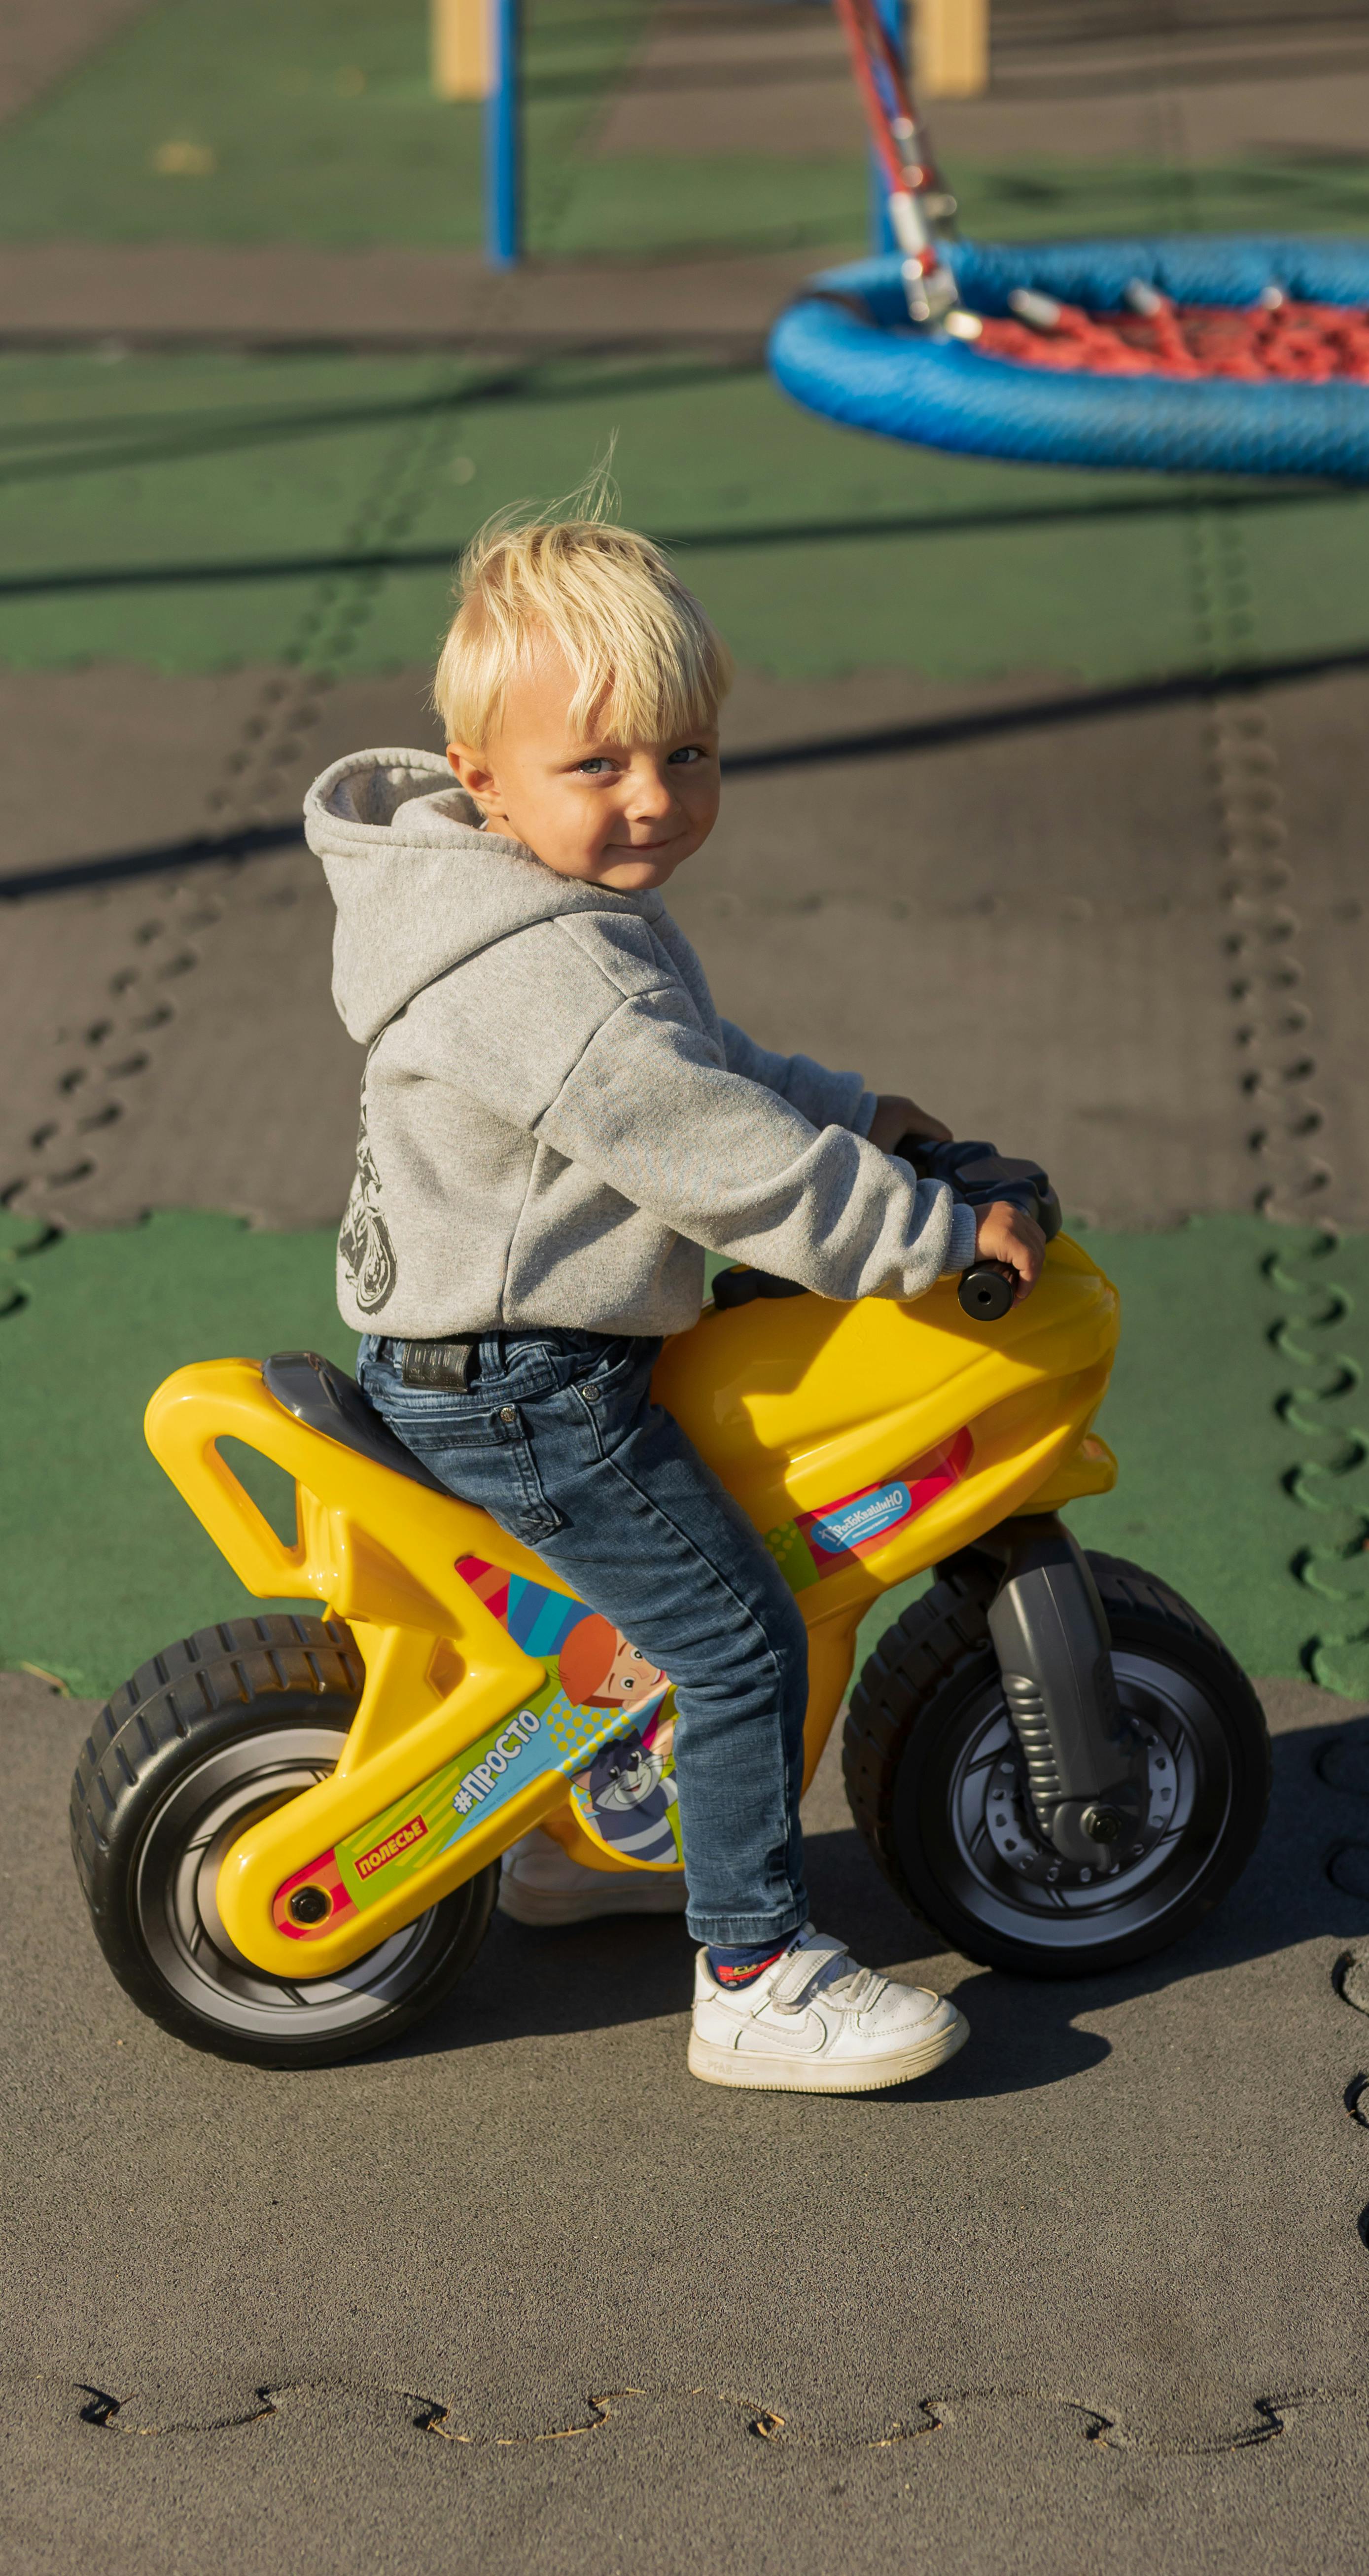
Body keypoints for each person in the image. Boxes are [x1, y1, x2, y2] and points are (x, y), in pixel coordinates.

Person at [303, 502, 1044, 2095]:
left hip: (493, 1347)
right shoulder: (545, 971)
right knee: (737, 1640)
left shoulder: (531, 905)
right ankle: (755, 1975)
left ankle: (572, 1850)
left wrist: (854, 1111)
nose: (654, 797)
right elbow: (717, 1159)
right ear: (482, 775)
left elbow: (703, 1070)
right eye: (601, 764)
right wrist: (930, 1237)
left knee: (662, 1597)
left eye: (688, 754)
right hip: (528, 1382)